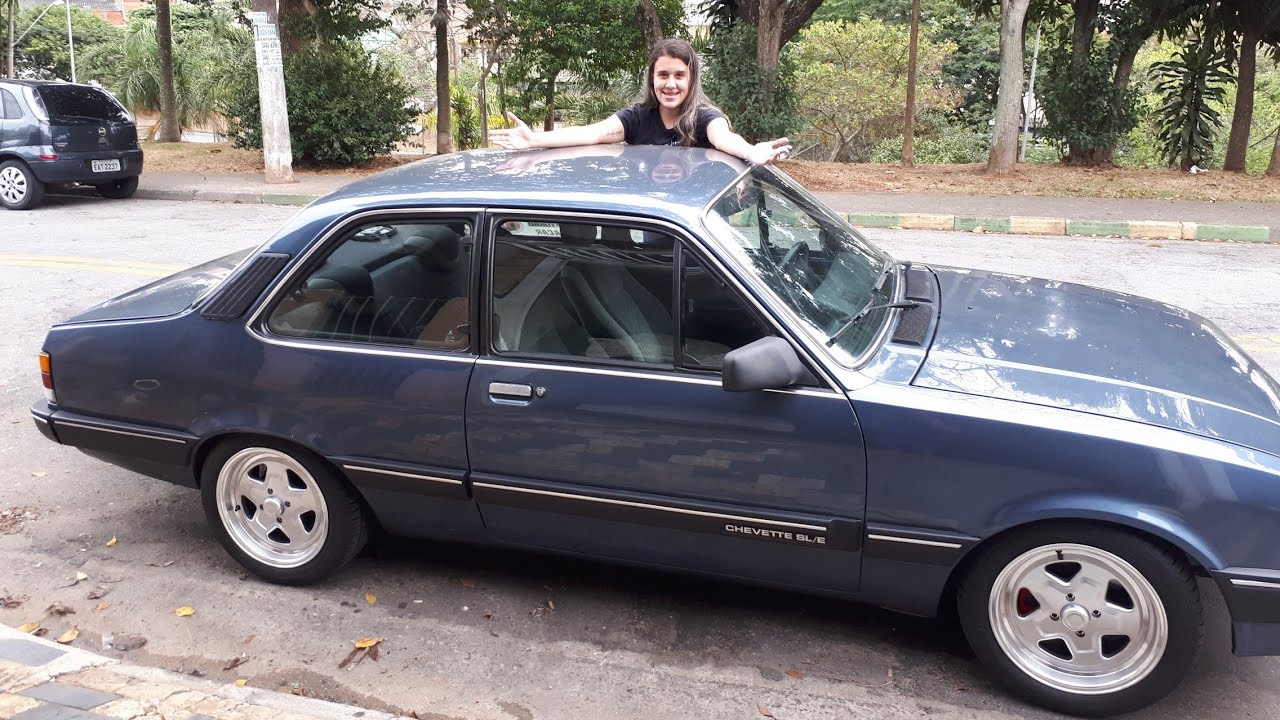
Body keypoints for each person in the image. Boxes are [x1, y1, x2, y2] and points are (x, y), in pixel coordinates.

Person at [489, 38, 791, 166]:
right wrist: (533, 140)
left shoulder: (705, 118)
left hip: (695, 235)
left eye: (679, 75)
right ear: (652, 79)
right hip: (652, 220)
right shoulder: (638, 117)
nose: (670, 84)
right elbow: (593, 132)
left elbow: (724, 138)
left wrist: (751, 151)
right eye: (663, 75)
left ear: (691, 79)